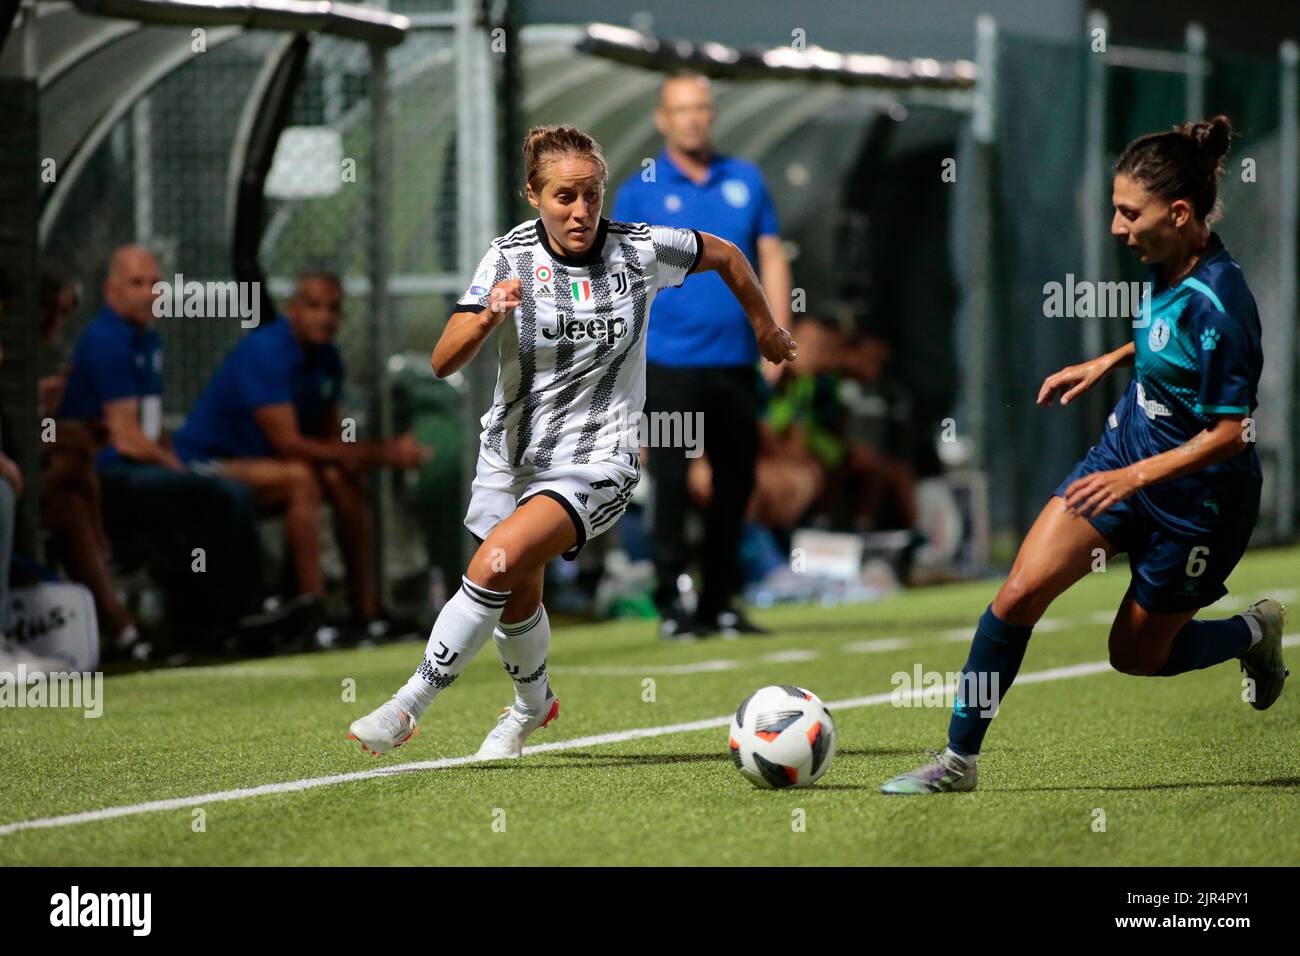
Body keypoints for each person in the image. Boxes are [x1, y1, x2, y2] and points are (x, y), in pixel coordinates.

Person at [347, 125, 797, 759]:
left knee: (494, 562)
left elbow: (724, 253)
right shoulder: (506, 260)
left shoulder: (640, 250)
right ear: (533, 194)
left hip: (598, 461)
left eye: (592, 194)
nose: (581, 210)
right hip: (510, 457)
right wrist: (487, 316)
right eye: (564, 197)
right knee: (513, 594)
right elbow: (443, 361)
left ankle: (407, 706)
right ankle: (533, 706)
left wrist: (766, 328)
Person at [882, 116, 1286, 795]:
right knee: (1017, 595)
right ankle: (957, 762)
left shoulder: (1224, 305)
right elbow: (1170, 340)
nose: (1115, 227)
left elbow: (1230, 432)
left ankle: (1252, 632)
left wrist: (1134, 478)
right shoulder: (1166, 261)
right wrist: (1109, 361)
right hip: (1123, 455)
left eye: (1129, 213)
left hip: (1201, 505)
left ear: (1179, 214)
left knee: (1134, 657)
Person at [611, 70, 792, 640]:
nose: (692, 118)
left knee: (736, 483)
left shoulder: (746, 179)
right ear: (663, 120)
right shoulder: (640, 188)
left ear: (712, 114)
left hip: (735, 363)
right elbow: (620, 278)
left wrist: (777, 331)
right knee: (670, 480)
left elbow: (771, 257)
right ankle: (671, 603)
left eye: (700, 108)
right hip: (668, 366)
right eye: (680, 109)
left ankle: (720, 600)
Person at [57, 245, 300, 655]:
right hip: (109, 475)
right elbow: (126, 438)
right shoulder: (107, 341)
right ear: (110, 291)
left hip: (140, 469)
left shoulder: (147, 341)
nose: (149, 292)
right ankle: (243, 611)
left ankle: (224, 618)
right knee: (222, 495)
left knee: (218, 495)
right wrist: (178, 467)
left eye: (155, 283)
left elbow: (148, 430)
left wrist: (173, 461)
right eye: (137, 283)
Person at [173, 268, 428, 641]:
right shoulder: (265, 352)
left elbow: (331, 443)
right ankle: (314, 614)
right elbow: (289, 444)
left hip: (272, 466)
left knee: (341, 480)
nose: (324, 316)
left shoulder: (328, 359)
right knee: (300, 479)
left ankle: (367, 615)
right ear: (292, 309)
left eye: (333, 308)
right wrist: (384, 453)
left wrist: (359, 458)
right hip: (205, 463)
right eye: (313, 305)